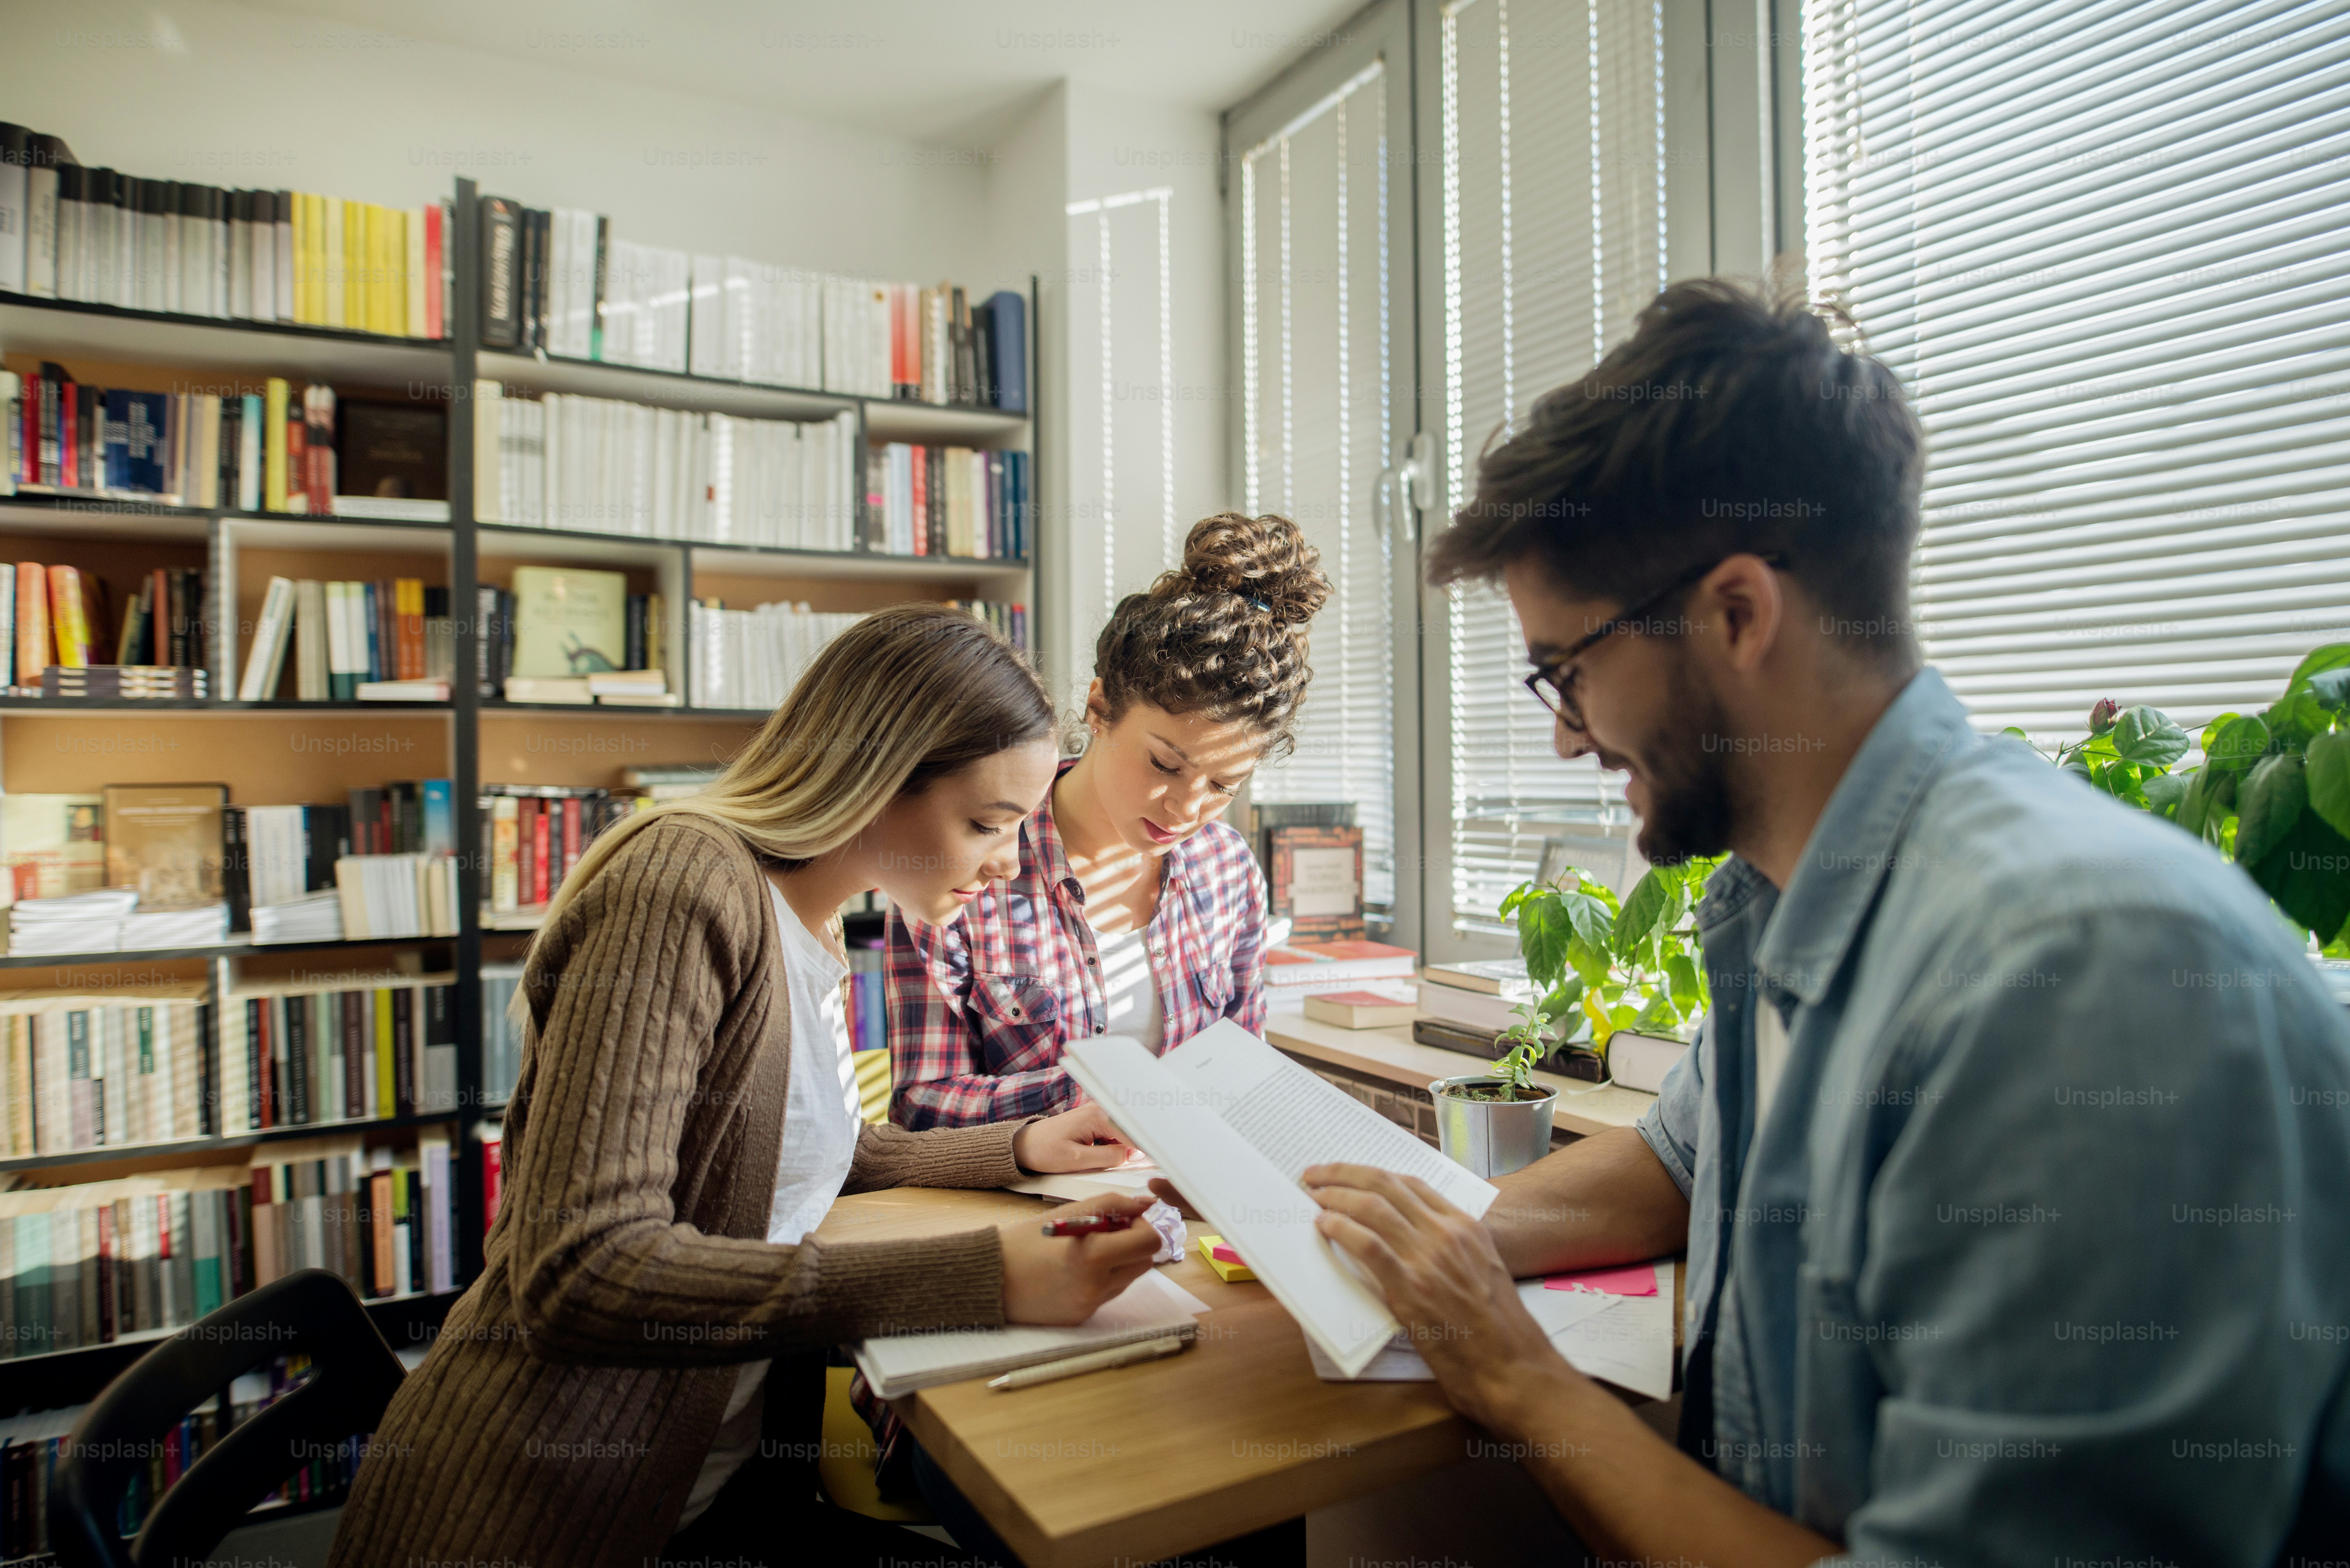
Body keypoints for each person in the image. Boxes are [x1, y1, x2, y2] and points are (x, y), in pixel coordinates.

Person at [1292, 280, 2350, 1562]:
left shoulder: (2083, 980)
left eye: (1565, 671)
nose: (1565, 732)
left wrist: (1517, 1381)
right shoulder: (1783, 899)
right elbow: (1680, 1168)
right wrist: (1434, 1245)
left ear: (1738, 613)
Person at [328, 606, 1165, 1568]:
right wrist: (980, 1278)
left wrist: (1020, 1146)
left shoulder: (816, 927)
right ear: (870, 778)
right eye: (986, 823)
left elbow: (792, 1150)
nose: (1009, 862)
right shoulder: (684, 888)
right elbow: (580, 1270)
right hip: (544, 1514)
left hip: (715, 1489)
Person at [887, 513, 1330, 1128]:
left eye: (1223, 785)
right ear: (1099, 707)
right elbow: (921, 1102)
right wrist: (1102, 1094)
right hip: (1020, 1209)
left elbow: (1243, 1075)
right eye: (1164, 764)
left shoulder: (1228, 871)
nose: (1185, 809)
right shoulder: (965, 865)